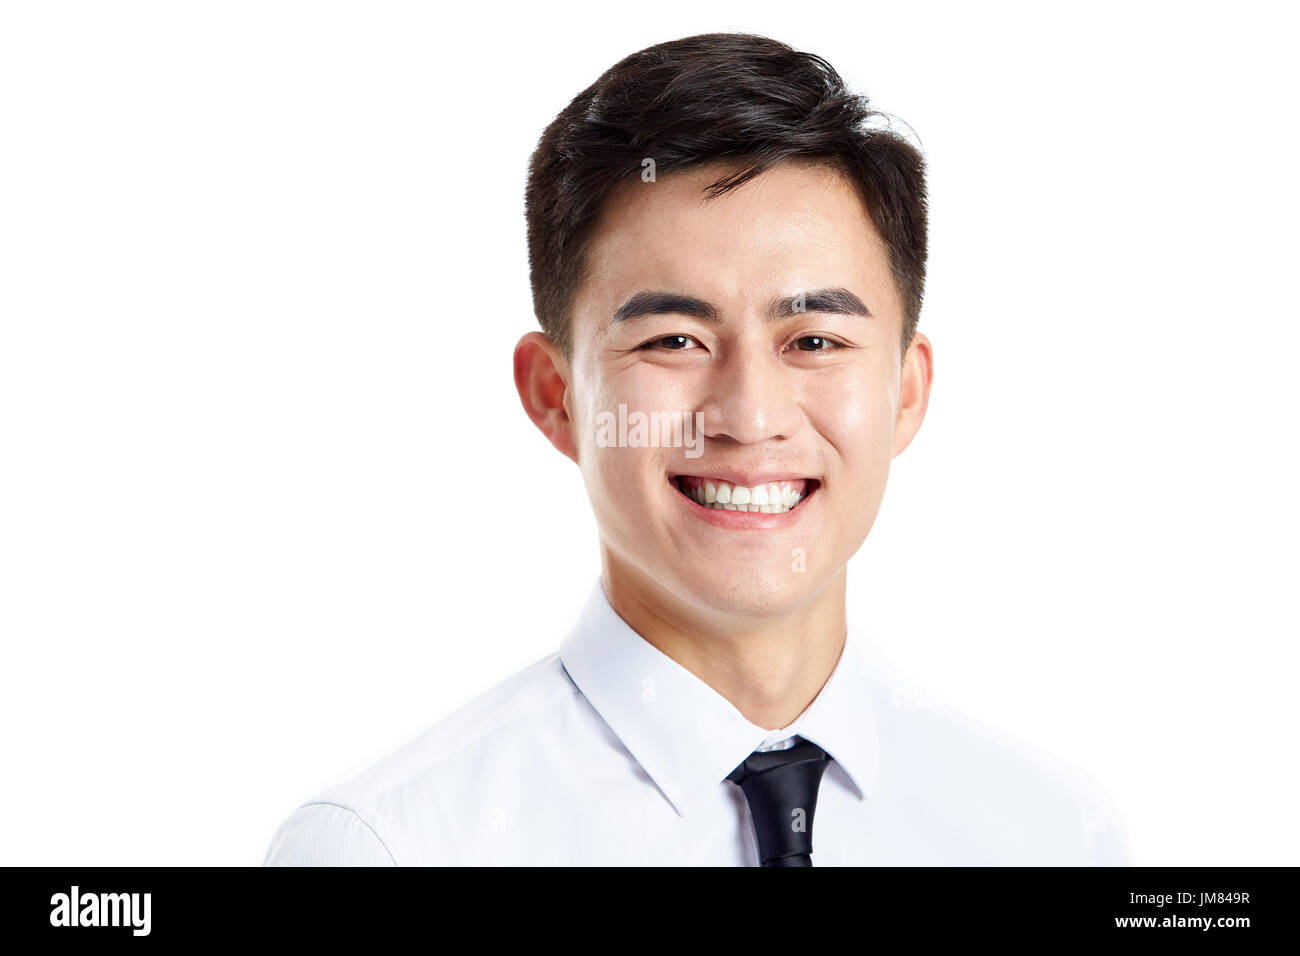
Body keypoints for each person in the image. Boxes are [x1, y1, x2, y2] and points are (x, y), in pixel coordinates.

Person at [263, 31, 1131, 866]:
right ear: (555, 395)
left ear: (906, 391)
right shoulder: (391, 847)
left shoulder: (1054, 836)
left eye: (816, 341)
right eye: (674, 341)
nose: (750, 416)